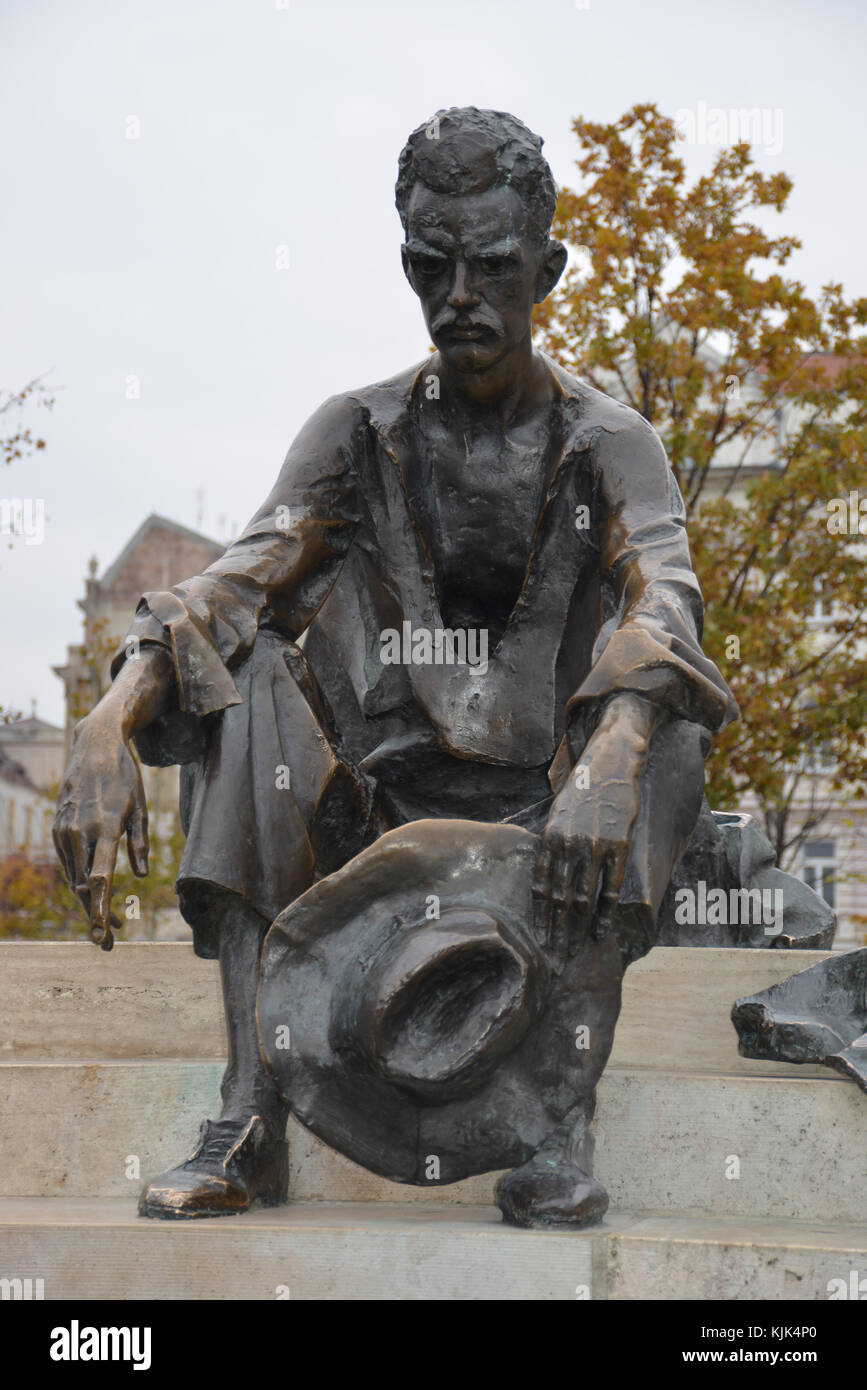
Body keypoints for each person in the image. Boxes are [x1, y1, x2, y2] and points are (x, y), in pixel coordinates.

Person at [53, 107, 737, 1225]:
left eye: (493, 266)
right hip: (368, 824)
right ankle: (249, 1112)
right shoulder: (355, 431)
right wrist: (109, 716)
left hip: (549, 830)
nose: (460, 293)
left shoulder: (610, 441)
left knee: (667, 722)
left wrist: (612, 750)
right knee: (247, 678)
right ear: (407, 263)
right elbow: (235, 586)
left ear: (548, 269)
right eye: (433, 265)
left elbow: (669, 593)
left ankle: (554, 1109)